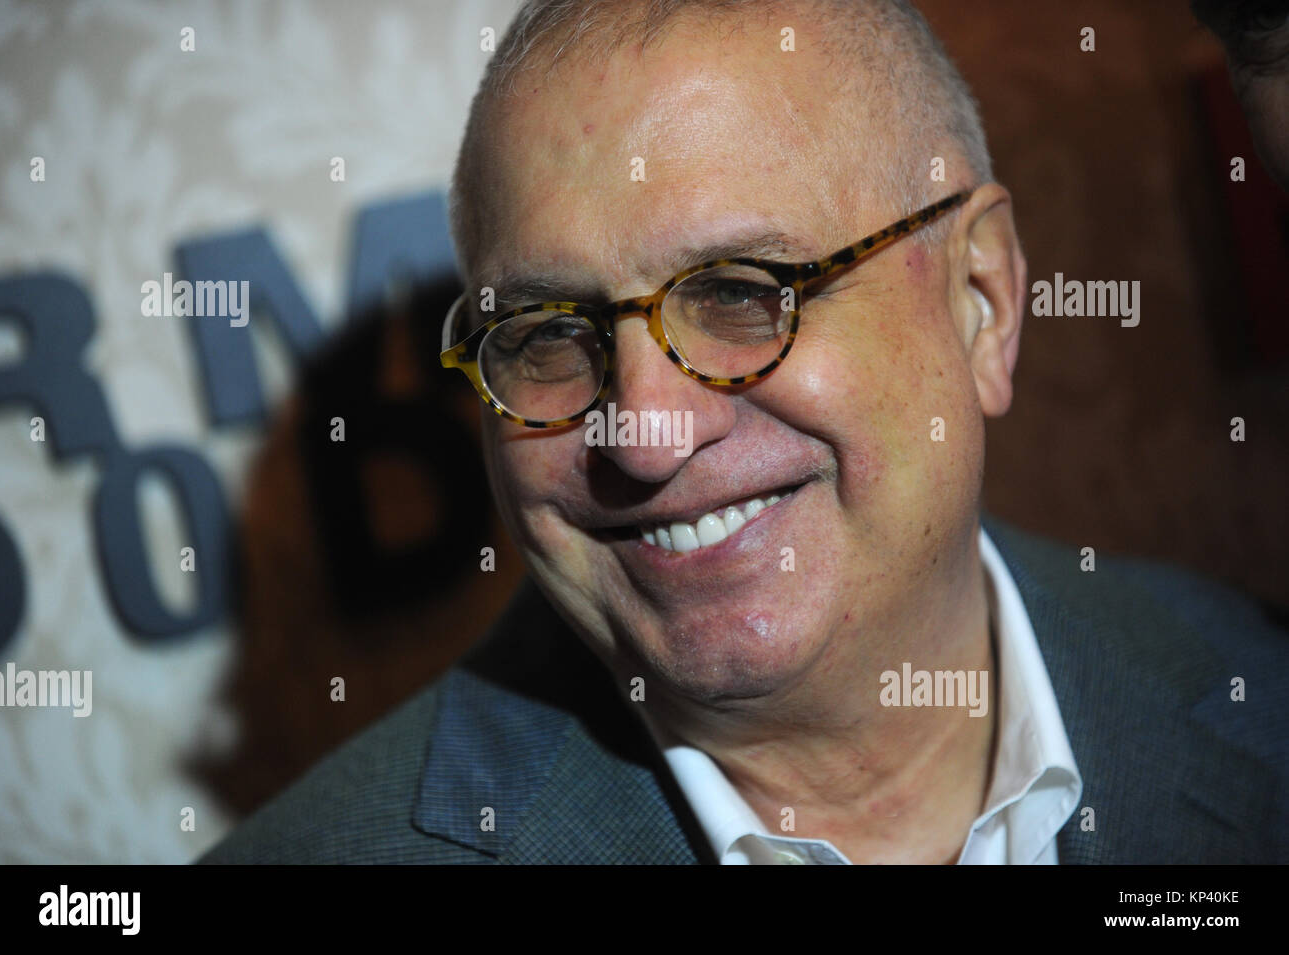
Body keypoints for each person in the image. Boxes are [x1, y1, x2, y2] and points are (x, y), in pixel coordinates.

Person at [202, 0, 1289, 865]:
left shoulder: (1260, 686)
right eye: (547, 335)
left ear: (982, 301)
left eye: (737, 293)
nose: (645, 433)